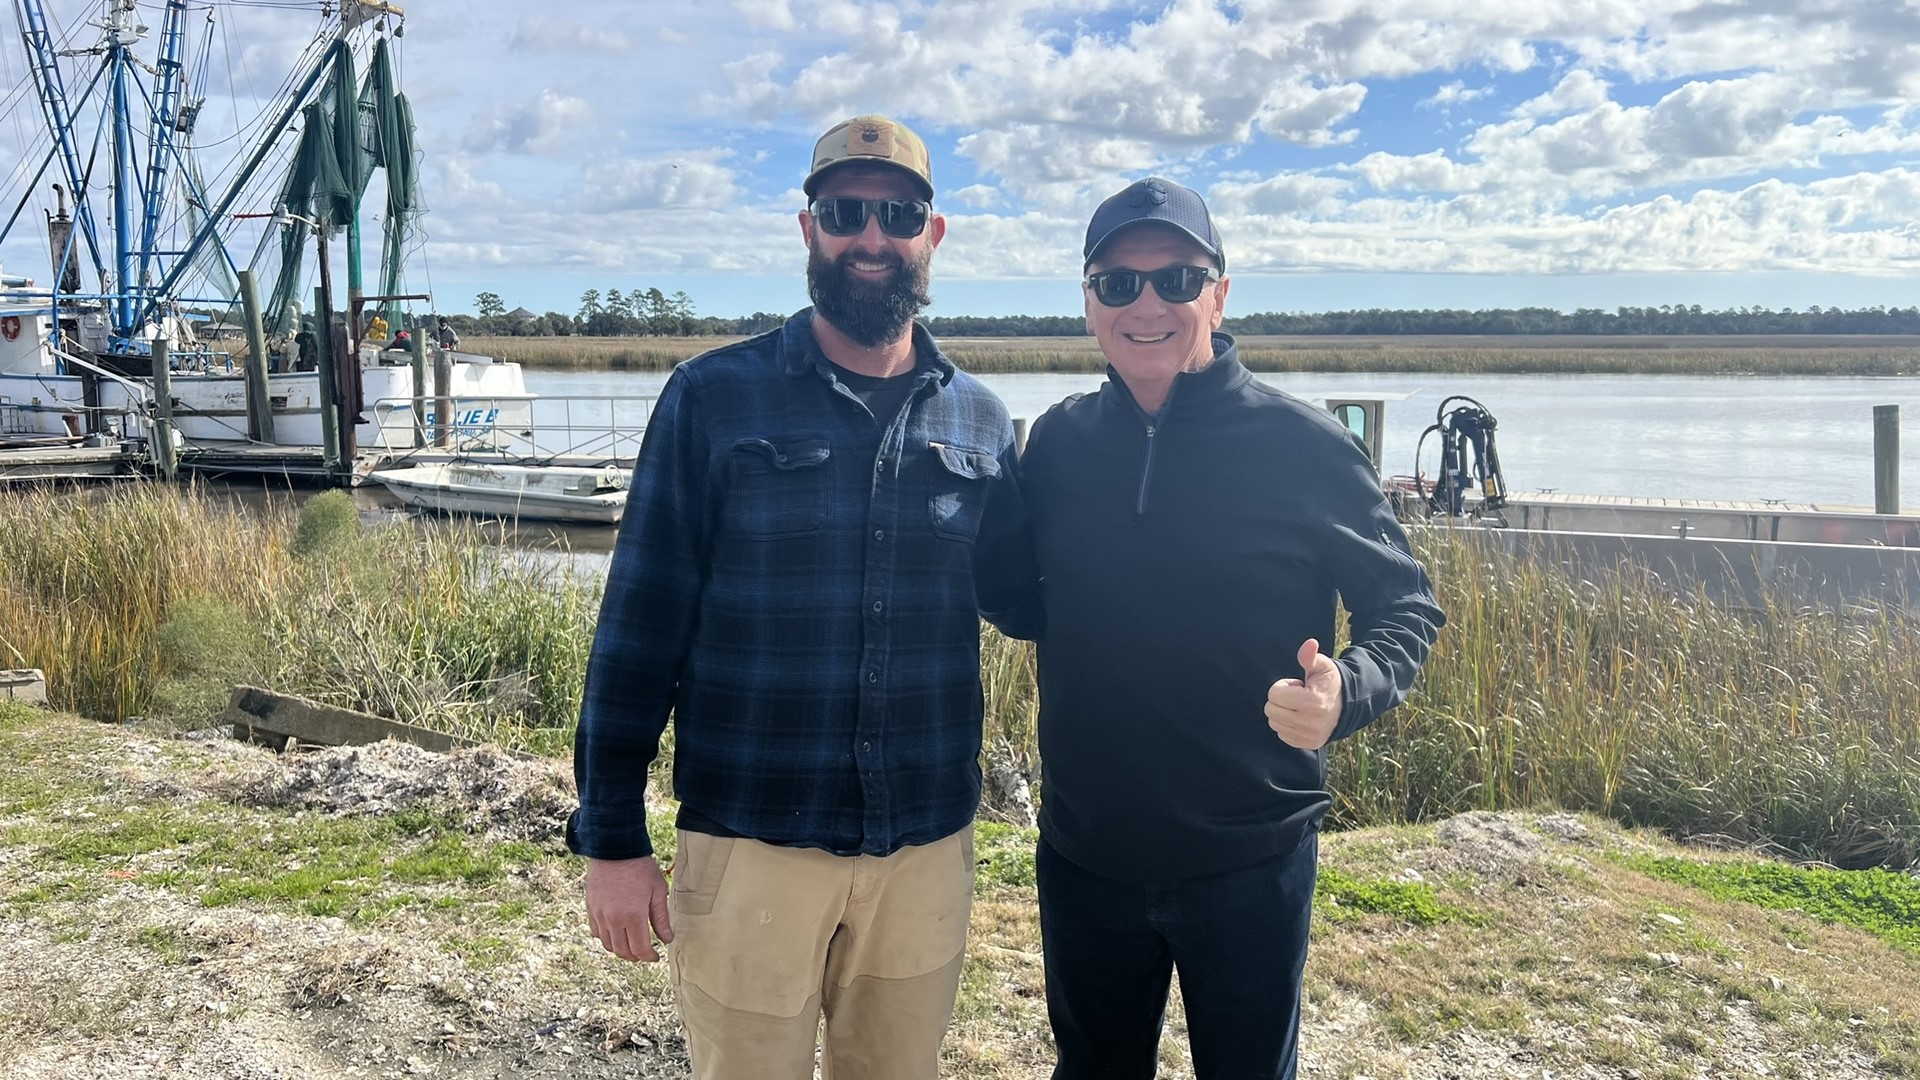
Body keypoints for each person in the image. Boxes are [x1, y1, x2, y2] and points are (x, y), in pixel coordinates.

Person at [568, 115, 1036, 1080]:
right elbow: (639, 625)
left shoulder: (981, 419)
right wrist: (612, 837)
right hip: (751, 841)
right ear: (808, 228)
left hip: (925, 847)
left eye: (897, 213)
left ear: (932, 235)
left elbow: (1031, 601)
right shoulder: (711, 398)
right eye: (846, 212)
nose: (872, 236)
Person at [1015, 177, 1446, 1080]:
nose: (1149, 304)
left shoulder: (1305, 446)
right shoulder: (1056, 444)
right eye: (1118, 283)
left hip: (1250, 856)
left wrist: (1345, 692)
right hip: (1087, 850)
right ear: (1088, 302)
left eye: (1177, 277)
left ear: (1219, 291)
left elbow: (1405, 604)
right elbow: (1015, 595)